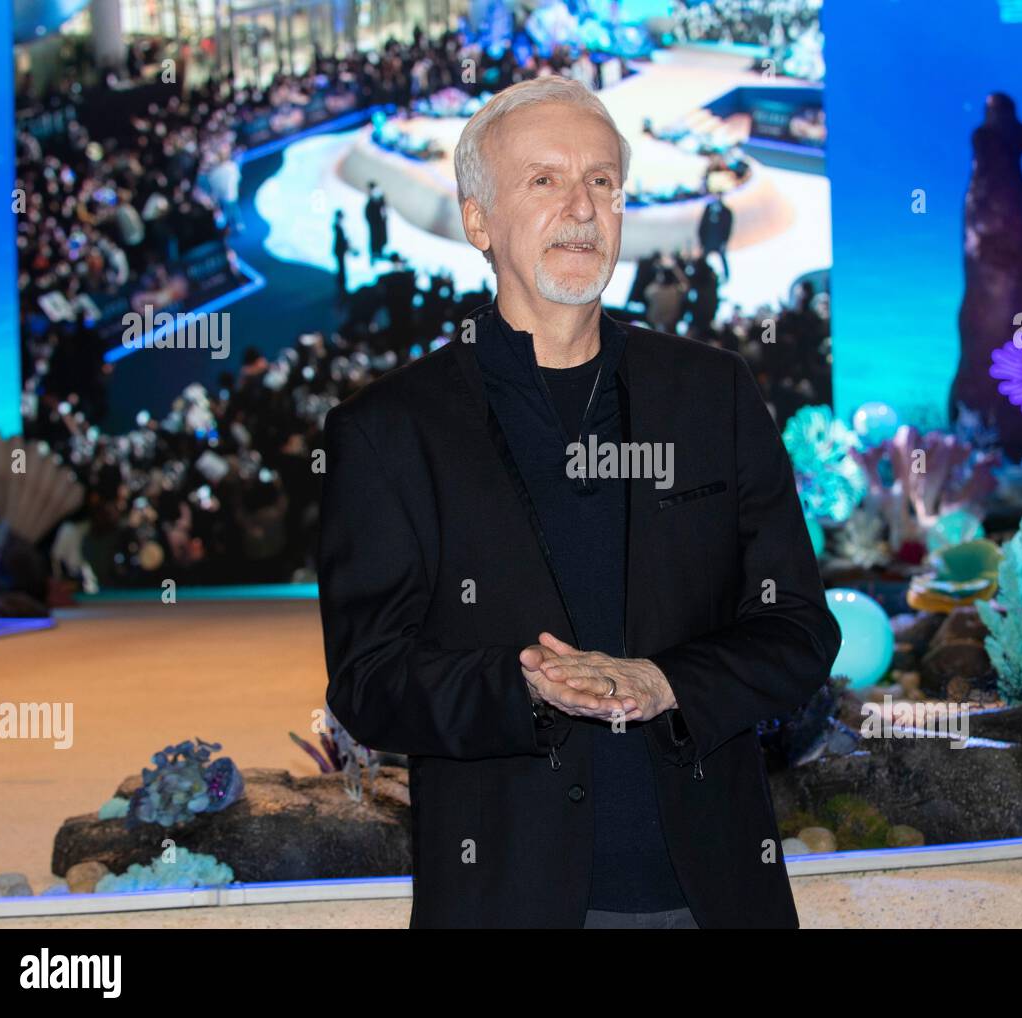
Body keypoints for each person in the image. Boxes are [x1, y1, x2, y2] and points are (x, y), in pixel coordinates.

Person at [316, 75, 840, 929]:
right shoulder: (388, 430)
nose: (582, 208)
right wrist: (527, 687)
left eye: (602, 180)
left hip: (712, 899)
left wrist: (666, 682)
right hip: (505, 902)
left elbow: (799, 630)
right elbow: (368, 682)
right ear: (478, 221)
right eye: (544, 180)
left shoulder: (711, 393)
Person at [697, 192, 733, 282]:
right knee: (703, 260)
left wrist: (724, 241)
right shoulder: (708, 209)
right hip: (708, 241)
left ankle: (726, 276)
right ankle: (701, 277)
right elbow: (702, 225)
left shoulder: (726, 211)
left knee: (722, 258)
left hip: (719, 241)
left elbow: (727, 228)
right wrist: (702, 241)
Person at [331, 209, 355, 303]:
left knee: (341, 269)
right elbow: (340, 241)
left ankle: (341, 288)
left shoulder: (338, 227)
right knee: (341, 269)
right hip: (339, 251)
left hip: (340, 251)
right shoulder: (338, 227)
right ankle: (341, 289)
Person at [364, 181, 388, 262]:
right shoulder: (373, 200)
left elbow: (383, 209)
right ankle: (376, 253)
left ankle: (378, 253)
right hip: (375, 223)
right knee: (375, 238)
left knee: (378, 238)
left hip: (378, 223)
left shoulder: (378, 197)